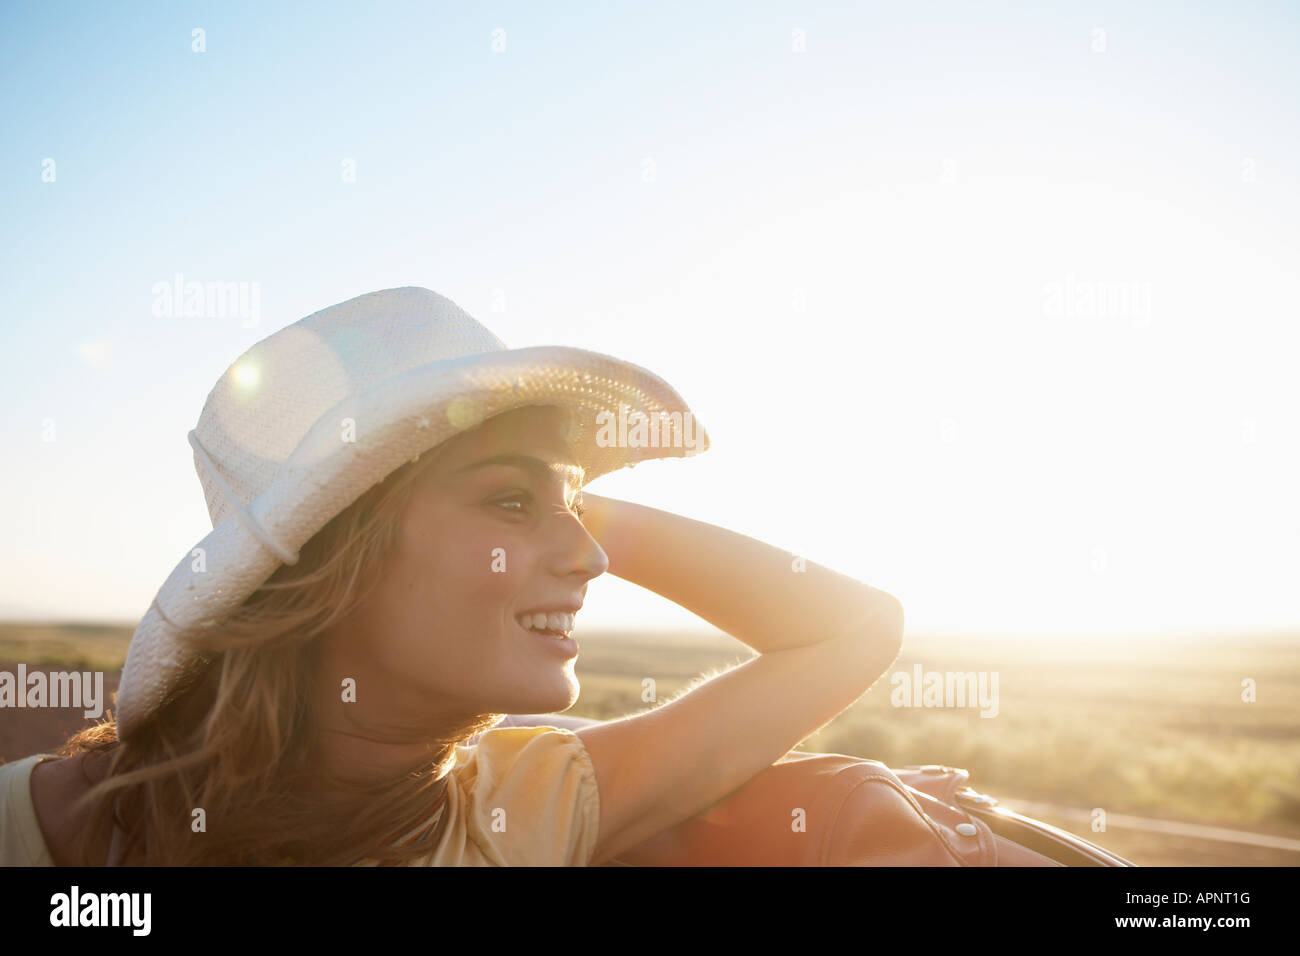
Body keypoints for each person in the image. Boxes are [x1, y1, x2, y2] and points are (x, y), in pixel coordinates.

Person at [0, 287, 904, 866]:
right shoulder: (42, 833)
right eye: (507, 505)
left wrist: (554, 496)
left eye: (580, 511)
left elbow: (856, 629)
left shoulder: (522, 807)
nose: (591, 558)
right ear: (333, 564)